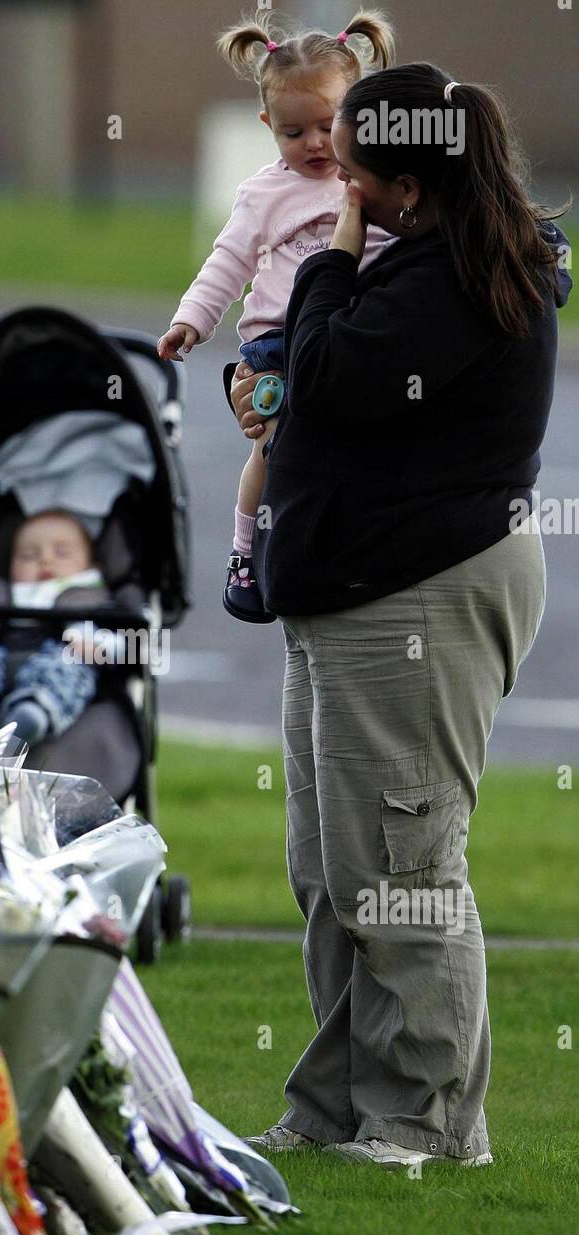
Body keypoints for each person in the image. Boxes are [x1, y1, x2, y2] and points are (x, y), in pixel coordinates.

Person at [228, 63, 571, 1167]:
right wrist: (257, 388)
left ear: (411, 188)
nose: (336, 178)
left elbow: (329, 366)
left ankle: (423, 1121)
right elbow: (312, 383)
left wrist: (329, 249)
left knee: (404, 872)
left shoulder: (457, 280)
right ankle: (333, 1106)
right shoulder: (422, 256)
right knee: (333, 869)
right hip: (346, 595)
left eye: (355, 170)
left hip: (415, 598)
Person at [157, 9, 397, 622]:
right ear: (268, 125)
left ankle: (341, 544)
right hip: (275, 343)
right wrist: (193, 319)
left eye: (328, 126)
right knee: (273, 448)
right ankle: (246, 550)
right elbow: (227, 261)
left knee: (352, 447)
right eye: (294, 133)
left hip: (347, 336)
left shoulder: (374, 182)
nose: (314, 145)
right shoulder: (264, 194)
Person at [0, 510, 121, 744]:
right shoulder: (1, 595)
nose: (45, 560)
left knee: (69, 664)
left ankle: (35, 712)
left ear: (90, 564)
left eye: (62, 553)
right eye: (28, 555)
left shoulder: (89, 599)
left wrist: (99, 648)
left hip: (55, 662)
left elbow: (118, 642)